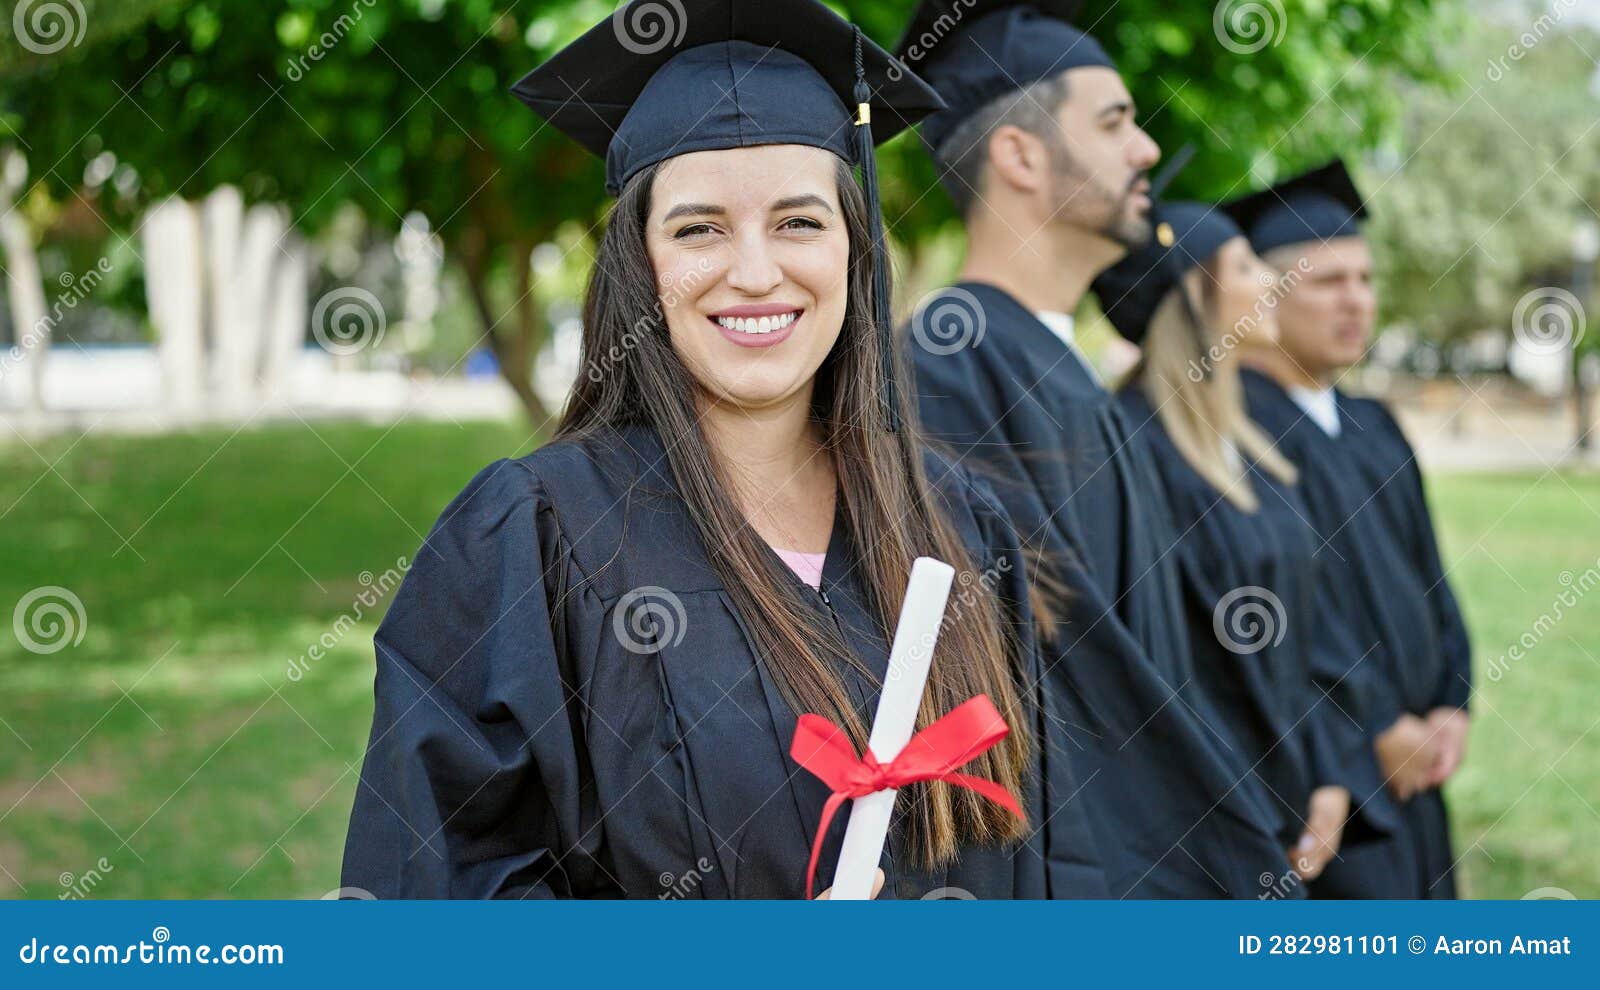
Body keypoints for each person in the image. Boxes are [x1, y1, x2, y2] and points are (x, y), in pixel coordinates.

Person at [340, 0, 1108, 900]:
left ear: (856, 254)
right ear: (641, 265)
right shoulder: (534, 537)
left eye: (799, 222)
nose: (754, 272)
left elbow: (1055, 863)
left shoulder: (956, 528)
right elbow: (438, 888)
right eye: (699, 229)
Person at [895, 1, 1291, 898]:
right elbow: (1055, 689)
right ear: (1020, 155)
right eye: (1115, 123)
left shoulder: (1057, 368)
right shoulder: (946, 371)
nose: (1146, 150)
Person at [1099, 197, 1398, 888]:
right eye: (1243, 267)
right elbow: (1170, 669)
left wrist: (1327, 776)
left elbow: (1308, 630)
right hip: (1212, 823)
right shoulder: (1136, 450)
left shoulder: (1251, 448)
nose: (1270, 281)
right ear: (1191, 296)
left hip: (1290, 799)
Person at [1232, 160, 1471, 898]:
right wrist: (1373, 729)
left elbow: (1432, 576)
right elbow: (1272, 614)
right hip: (1325, 773)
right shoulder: (1237, 433)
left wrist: (1450, 704)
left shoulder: (1374, 424)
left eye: (1365, 280)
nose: (1357, 302)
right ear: (1265, 297)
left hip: (1421, 767)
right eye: (1329, 281)